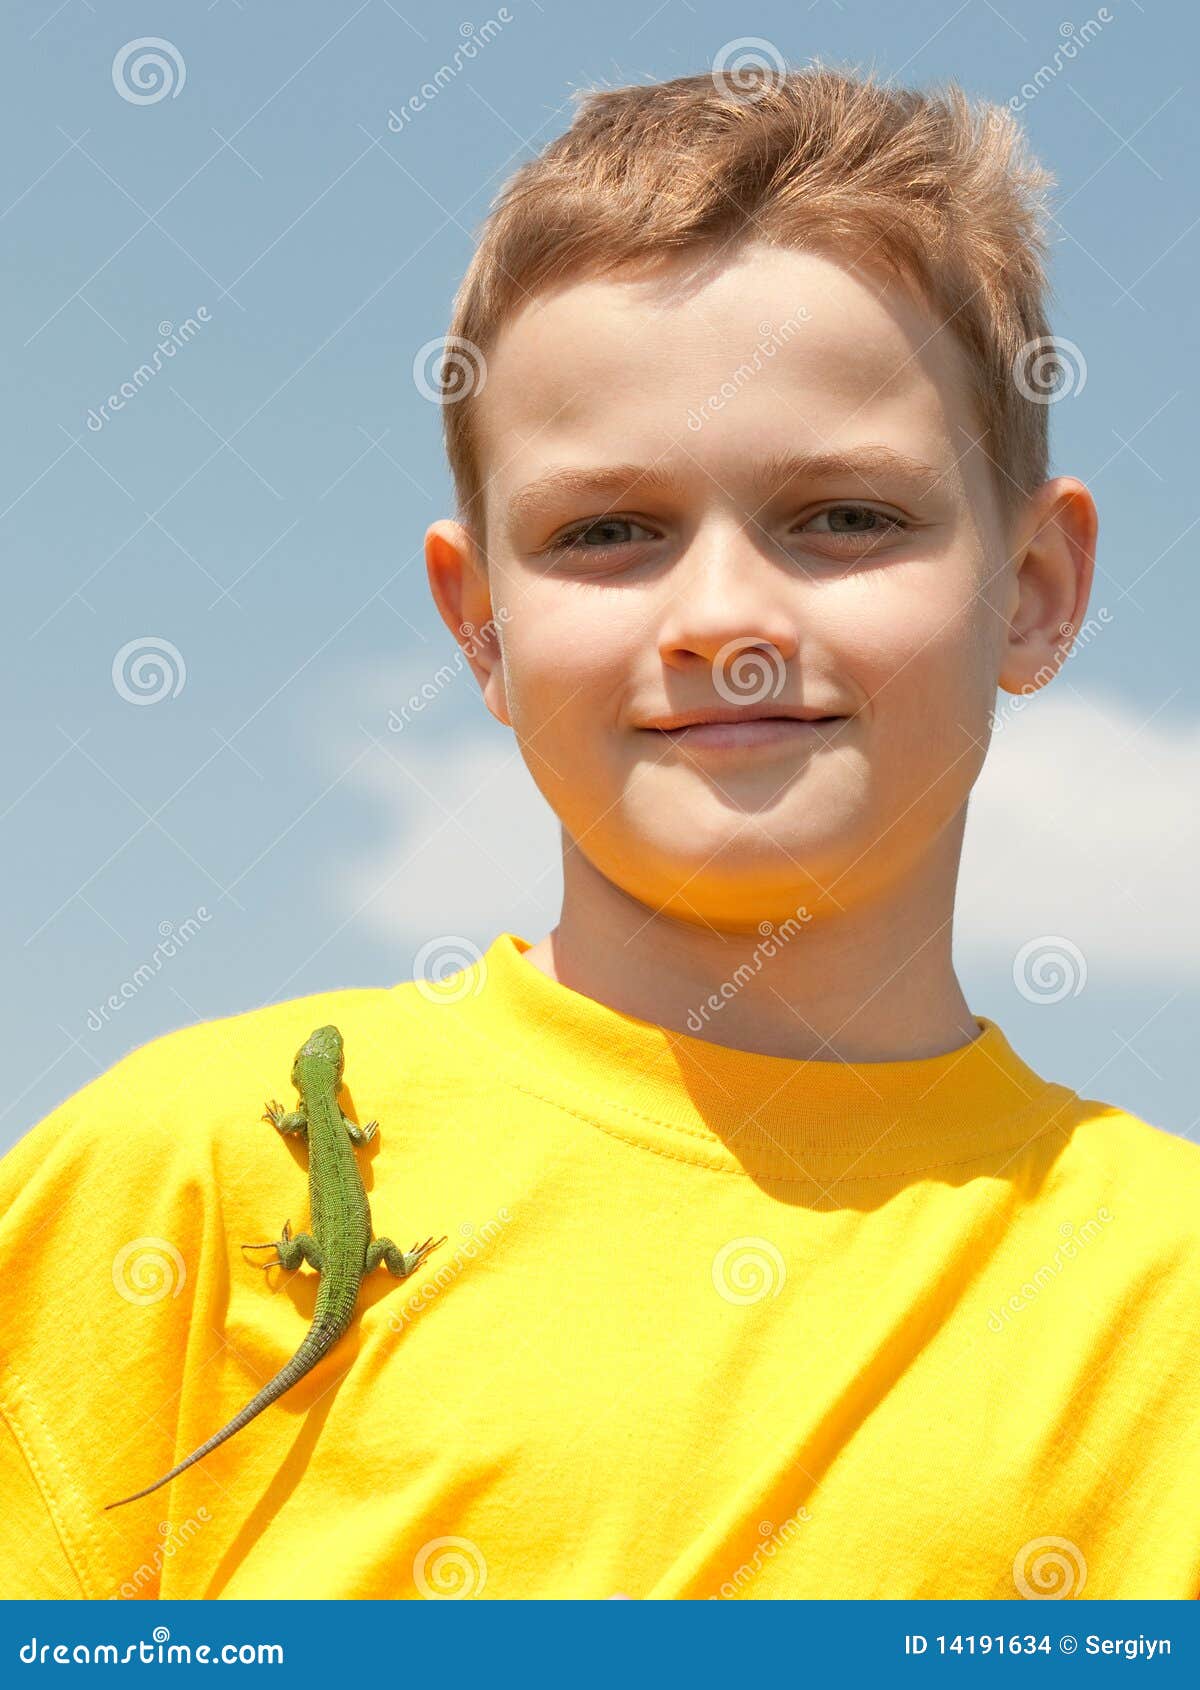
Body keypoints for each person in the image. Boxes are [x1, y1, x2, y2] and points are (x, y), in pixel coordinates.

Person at [2, 64, 1196, 1601]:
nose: (725, 623)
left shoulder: (1165, 1290)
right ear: (479, 626)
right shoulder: (173, 1176)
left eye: (844, 515)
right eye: (606, 532)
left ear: (1034, 591)